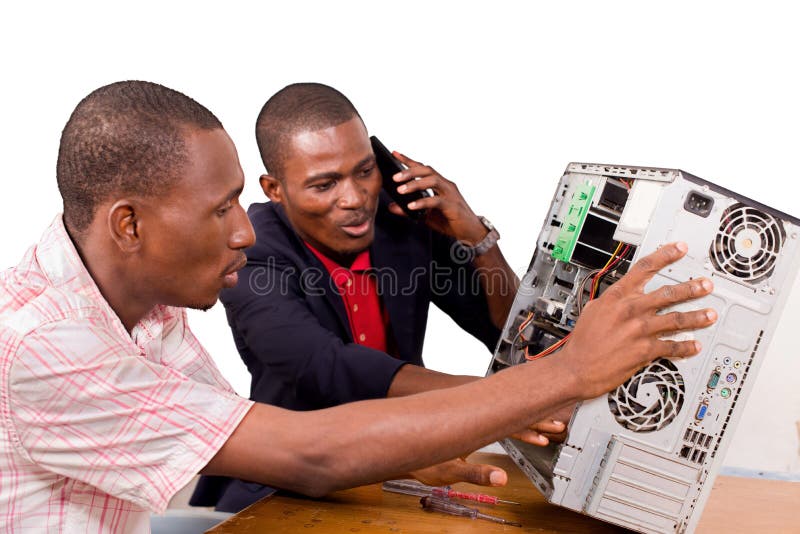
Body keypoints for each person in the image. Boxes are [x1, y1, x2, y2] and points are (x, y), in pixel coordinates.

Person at [0, 80, 716, 533]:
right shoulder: (47, 342)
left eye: (365, 171)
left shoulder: (146, 310)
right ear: (129, 225)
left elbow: (505, 329)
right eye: (220, 210)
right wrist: (564, 376)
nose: (240, 232)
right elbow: (313, 426)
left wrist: (475, 238)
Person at [191, 82, 563, 510]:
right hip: (292, 486)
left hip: (413, 469)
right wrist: (499, 402)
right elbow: (322, 364)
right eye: (324, 185)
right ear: (275, 189)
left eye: (365, 170)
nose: (356, 199)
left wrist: (479, 240)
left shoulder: (401, 220)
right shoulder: (251, 250)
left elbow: (511, 336)